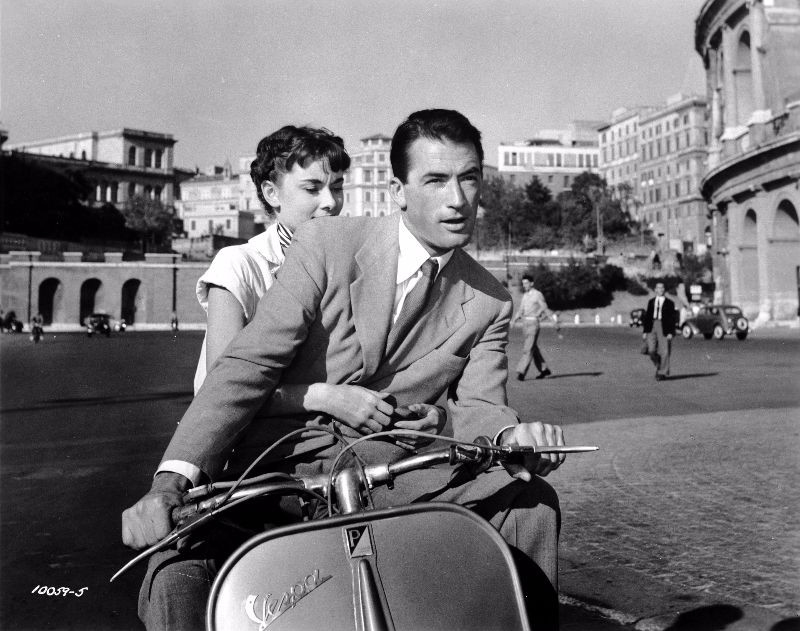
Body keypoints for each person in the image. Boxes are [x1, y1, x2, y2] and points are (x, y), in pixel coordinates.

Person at [122, 109, 566, 630]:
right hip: (280, 471)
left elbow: (482, 408)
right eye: (436, 180)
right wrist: (169, 482)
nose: (458, 199)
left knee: (530, 503)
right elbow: (247, 365)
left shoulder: (490, 299)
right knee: (177, 570)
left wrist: (514, 433)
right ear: (398, 190)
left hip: (393, 476)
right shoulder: (327, 244)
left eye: (469, 178)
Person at [193, 125, 440, 444]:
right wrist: (326, 398)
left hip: (323, 450)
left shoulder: (350, 264)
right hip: (241, 458)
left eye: (336, 188)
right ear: (271, 193)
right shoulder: (239, 263)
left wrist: (413, 413)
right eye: (312, 188)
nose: (331, 203)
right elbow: (222, 390)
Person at [512, 274, 559, 381]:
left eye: (526, 283)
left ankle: (521, 372)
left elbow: (545, 308)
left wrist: (554, 322)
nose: (524, 286)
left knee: (528, 348)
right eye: (523, 284)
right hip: (525, 324)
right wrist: (514, 319)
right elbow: (520, 310)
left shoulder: (538, 295)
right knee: (533, 348)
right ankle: (543, 369)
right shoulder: (525, 296)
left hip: (533, 324)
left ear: (532, 283)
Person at [642, 281, 677, 381]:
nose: (660, 290)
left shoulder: (670, 303)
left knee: (664, 351)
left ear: (664, 290)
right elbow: (647, 317)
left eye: (662, 288)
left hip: (664, 326)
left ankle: (662, 372)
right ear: (655, 290)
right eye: (658, 288)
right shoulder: (651, 301)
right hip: (652, 326)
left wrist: (671, 332)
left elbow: (672, 318)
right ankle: (659, 364)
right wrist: (645, 332)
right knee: (651, 350)